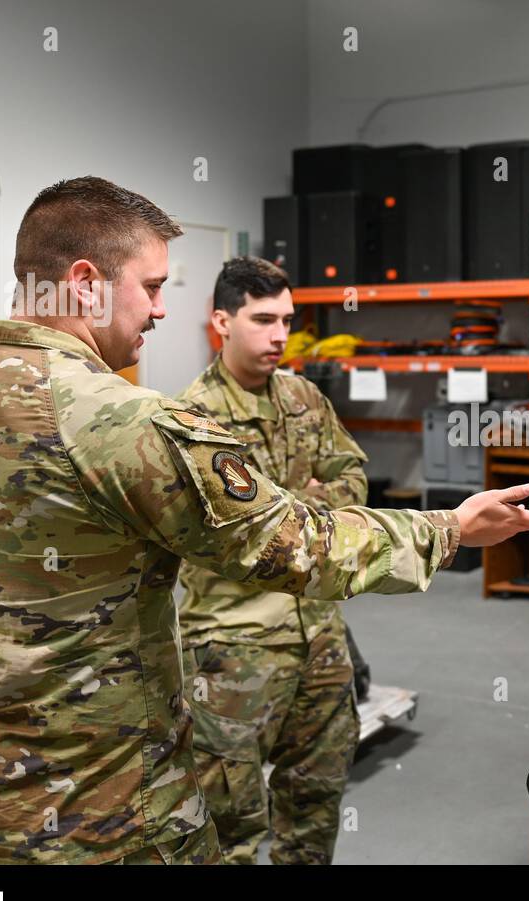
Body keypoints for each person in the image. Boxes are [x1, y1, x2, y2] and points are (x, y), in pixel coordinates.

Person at [0, 176, 529, 865]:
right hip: (101, 815)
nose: (163, 310)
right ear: (84, 282)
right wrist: (450, 528)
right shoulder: (122, 420)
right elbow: (294, 545)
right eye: (153, 286)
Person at [176, 256, 365, 864]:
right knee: (228, 826)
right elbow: (234, 535)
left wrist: (302, 507)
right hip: (236, 647)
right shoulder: (191, 418)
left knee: (315, 806)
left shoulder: (305, 397)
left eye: (287, 319)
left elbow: (354, 477)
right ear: (221, 322)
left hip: (321, 638)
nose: (280, 335)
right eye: (263, 319)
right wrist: (300, 506)